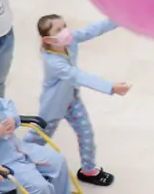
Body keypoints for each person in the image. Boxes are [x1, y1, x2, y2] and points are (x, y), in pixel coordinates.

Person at [36, 15, 126, 187]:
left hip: (72, 100)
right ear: (48, 39)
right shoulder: (53, 61)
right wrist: (110, 87)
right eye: (58, 30)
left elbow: (93, 29)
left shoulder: (69, 42)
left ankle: (88, 170)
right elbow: (77, 75)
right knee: (38, 138)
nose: (65, 31)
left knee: (86, 134)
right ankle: (20, 161)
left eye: (64, 26)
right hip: (53, 107)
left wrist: (120, 17)